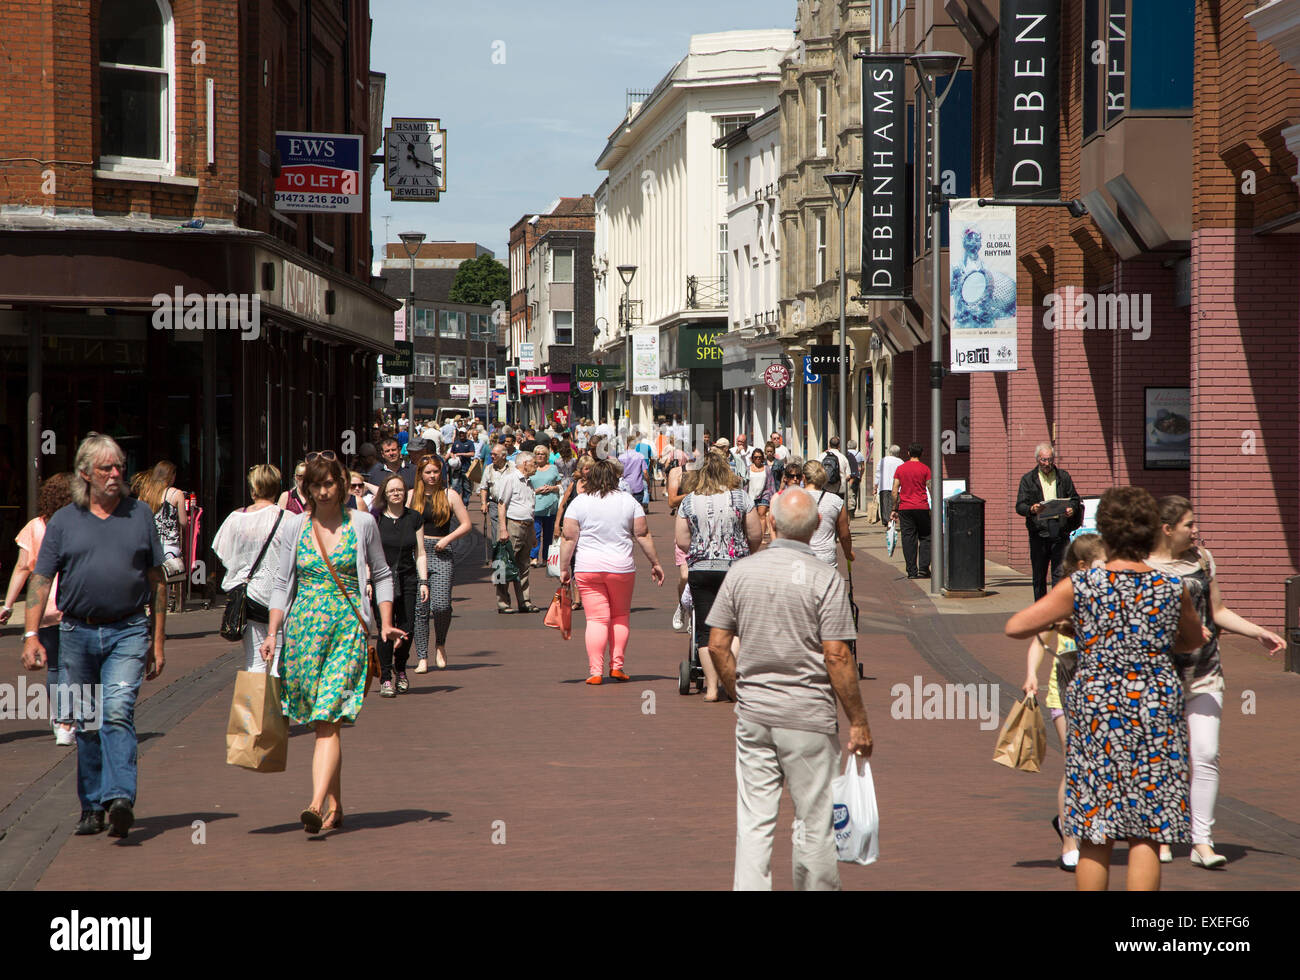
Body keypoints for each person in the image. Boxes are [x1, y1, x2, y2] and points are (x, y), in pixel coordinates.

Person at [1006, 486, 1204, 891]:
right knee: (1147, 831)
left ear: (1106, 532)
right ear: (1152, 532)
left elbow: (1017, 626)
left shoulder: (1083, 585)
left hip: (1099, 707)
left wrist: (1073, 622)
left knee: (1097, 827)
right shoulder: (1170, 587)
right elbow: (1191, 640)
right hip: (1155, 707)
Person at [705, 487, 872, 891]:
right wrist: (858, 721)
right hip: (807, 716)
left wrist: (739, 692)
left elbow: (717, 645)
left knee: (754, 821)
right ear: (817, 527)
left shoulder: (742, 572)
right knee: (816, 820)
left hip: (755, 715)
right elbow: (837, 655)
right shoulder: (825, 579)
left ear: (770, 522)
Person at [23, 434, 168, 838]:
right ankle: (91, 806)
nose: (116, 473)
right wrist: (31, 634)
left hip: (128, 630)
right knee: (86, 722)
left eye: (119, 465)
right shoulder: (65, 521)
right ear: (84, 473)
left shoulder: (140, 515)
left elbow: (157, 582)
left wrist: (158, 642)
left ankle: (120, 798)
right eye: (106, 467)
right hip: (76, 634)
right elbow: (41, 578)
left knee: (118, 710)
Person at [260, 452, 403, 833]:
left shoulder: (361, 524)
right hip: (304, 634)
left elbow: (383, 573)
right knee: (327, 724)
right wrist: (273, 633)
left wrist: (385, 622)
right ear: (306, 489)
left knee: (327, 717)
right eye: (316, 485)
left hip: (347, 631)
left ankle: (313, 803)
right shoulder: (295, 527)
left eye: (329, 484)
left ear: (341, 485)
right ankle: (336, 804)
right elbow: (280, 583)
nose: (323, 492)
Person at [1146, 495, 1285, 869]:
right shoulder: (1141, 566)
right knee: (1162, 758)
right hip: (1157, 678)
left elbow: (1218, 610)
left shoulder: (1203, 561)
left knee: (1205, 754)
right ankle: (1161, 832)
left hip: (1204, 673)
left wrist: (1258, 632)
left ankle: (1201, 842)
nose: (1196, 531)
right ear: (1167, 528)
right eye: (1189, 525)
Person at [1022, 532, 1107, 873]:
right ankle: (1070, 841)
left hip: (1101, 693)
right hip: (1065, 690)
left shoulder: (1111, 596)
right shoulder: (1065, 596)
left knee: (1096, 765)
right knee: (1075, 762)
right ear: (1084, 565)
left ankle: (1077, 822)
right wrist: (1031, 674)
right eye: (1103, 563)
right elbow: (1037, 638)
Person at [558, 458, 665, 684]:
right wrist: (655, 562)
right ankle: (617, 666)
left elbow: (568, 537)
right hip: (621, 567)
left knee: (596, 620)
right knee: (620, 616)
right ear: (616, 478)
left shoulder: (579, 503)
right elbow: (643, 534)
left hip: (588, 567)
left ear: (591, 478)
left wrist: (564, 568)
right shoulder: (629, 502)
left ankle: (595, 671)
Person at [675, 452, 763, 702]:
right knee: (733, 627)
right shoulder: (741, 497)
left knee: (704, 629)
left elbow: (682, 541)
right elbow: (755, 535)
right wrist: (747, 553)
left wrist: (700, 548)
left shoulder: (689, 501)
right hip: (734, 569)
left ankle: (711, 688)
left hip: (701, 569)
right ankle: (729, 681)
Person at [2, 472, 76, 744]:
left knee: (54, 667)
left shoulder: (34, 527)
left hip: (41, 607)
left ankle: (58, 718)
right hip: (70, 604)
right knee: (71, 665)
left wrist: (8, 604)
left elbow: (22, 568)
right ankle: (67, 720)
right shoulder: (76, 524)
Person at [212, 464, 287, 677]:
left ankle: (254, 709)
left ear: (253, 488)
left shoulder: (236, 518)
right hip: (279, 597)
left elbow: (222, 552)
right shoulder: (287, 518)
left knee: (254, 662)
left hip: (248, 596)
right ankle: (276, 708)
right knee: (279, 660)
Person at [410, 454, 472, 672]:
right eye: (428, 472)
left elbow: (466, 524)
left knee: (441, 605)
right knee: (420, 607)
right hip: (417, 554)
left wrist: (447, 539)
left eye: (436, 472)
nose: (432, 476)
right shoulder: (412, 496)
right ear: (421, 474)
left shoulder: (450, 495)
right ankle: (422, 657)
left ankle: (440, 643)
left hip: (441, 552)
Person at [370, 474, 424, 696]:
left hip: (408, 577)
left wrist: (424, 581)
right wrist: (366, 581)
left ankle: (401, 668)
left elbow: (420, 552)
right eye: (392, 490)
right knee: (385, 628)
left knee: (407, 626)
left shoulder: (414, 517)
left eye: (400, 490)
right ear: (384, 493)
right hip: (381, 579)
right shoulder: (376, 519)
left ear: (405, 493)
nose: (396, 494)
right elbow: (366, 553)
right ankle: (385, 678)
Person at [1015, 443, 1083, 600]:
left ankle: (1057, 607)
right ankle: (1040, 608)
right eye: (1044, 460)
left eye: (1050, 460)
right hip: (1039, 532)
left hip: (1060, 530)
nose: (1047, 464)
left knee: (1060, 574)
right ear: (1037, 459)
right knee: (1039, 575)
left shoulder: (1063, 477)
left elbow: (1074, 499)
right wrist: (1032, 509)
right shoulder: (1028, 479)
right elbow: (1020, 506)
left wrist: (1072, 508)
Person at [137, 460, 188, 604]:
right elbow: (183, 522)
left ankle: (150, 600)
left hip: (149, 545)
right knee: (164, 576)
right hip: (169, 547)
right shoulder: (176, 494)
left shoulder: (145, 492)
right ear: (170, 476)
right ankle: (162, 602)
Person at [496, 456, 541, 614]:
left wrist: (533, 533)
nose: (537, 466)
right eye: (534, 463)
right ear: (525, 464)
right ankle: (503, 602)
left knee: (524, 566)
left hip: (527, 526)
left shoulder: (529, 482)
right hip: (513, 524)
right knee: (503, 564)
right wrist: (503, 528)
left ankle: (524, 601)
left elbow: (531, 508)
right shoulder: (511, 478)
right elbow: (502, 504)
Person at [555, 455, 595, 609]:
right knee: (573, 563)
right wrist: (557, 526)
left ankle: (587, 596)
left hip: (589, 530)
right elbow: (562, 505)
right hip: (572, 528)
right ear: (580, 470)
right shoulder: (573, 485)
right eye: (586, 468)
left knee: (587, 562)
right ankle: (577, 599)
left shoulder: (596, 486)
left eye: (591, 468)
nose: (589, 471)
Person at [891, 443, 932, 579]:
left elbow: (895, 490)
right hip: (922, 507)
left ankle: (912, 571)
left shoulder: (900, 469)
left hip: (905, 508)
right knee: (926, 537)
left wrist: (894, 508)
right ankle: (924, 568)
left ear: (908, 453)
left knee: (908, 539)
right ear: (921, 454)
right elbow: (931, 488)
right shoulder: (925, 469)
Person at [803, 460, 853, 569]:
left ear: (804, 477)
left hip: (800, 558)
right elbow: (844, 534)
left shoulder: (793, 498)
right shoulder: (835, 501)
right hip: (826, 558)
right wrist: (848, 553)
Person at [529, 445, 562, 571]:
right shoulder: (532, 468)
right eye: (538, 454)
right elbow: (526, 486)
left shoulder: (553, 468)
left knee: (548, 534)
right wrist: (536, 491)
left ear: (547, 456)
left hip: (551, 506)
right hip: (536, 505)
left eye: (543, 454)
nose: (540, 456)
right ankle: (534, 557)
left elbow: (559, 486)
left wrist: (552, 488)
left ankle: (546, 558)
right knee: (535, 533)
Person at [480, 442, 513, 567]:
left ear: (503, 456)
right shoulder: (489, 468)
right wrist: (483, 503)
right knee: (496, 529)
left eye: (495, 454)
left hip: (510, 503)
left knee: (509, 527)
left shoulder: (513, 468)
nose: (492, 456)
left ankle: (509, 554)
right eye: (491, 454)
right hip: (494, 502)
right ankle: (498, 556)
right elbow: (484, 487)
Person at [746, 447, 776, 535]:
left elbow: (771, 483)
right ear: (752, 458)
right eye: (755, 457)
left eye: (759, 457)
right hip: (751, 495)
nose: (758, 459)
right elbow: (744, 483)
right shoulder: (748, 469)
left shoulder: (766, 469)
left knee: (762, 514)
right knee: (754, 516)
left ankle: (761, 537)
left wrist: (772, 497)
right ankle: (754, 535)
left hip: (764, 494)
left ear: (763, 458)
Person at [618, 437, 650, 513]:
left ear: (627, 444)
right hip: (637, 486)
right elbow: (645, 472)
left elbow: (618, 473)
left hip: (624, 487)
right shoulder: (640, 456)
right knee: (636, 510)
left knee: (625, 510)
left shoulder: (621, 457)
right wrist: (648, 484)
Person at [874, 445, 903, 526]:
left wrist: (875, 486)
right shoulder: (900, 461)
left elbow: (878, 474)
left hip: (884, 486)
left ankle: (887, 522)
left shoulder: (883, 460)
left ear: (890, 452)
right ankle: (893, 520)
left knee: (885, 505)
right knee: (895, 504)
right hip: (896, 487)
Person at [845, 439, 865, 515]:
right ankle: (852, 511)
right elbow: (863, 467)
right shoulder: (859, 454)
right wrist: (861, 476)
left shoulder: (845, 453)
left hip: (847, 476)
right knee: (854, 493)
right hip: (856, 476)